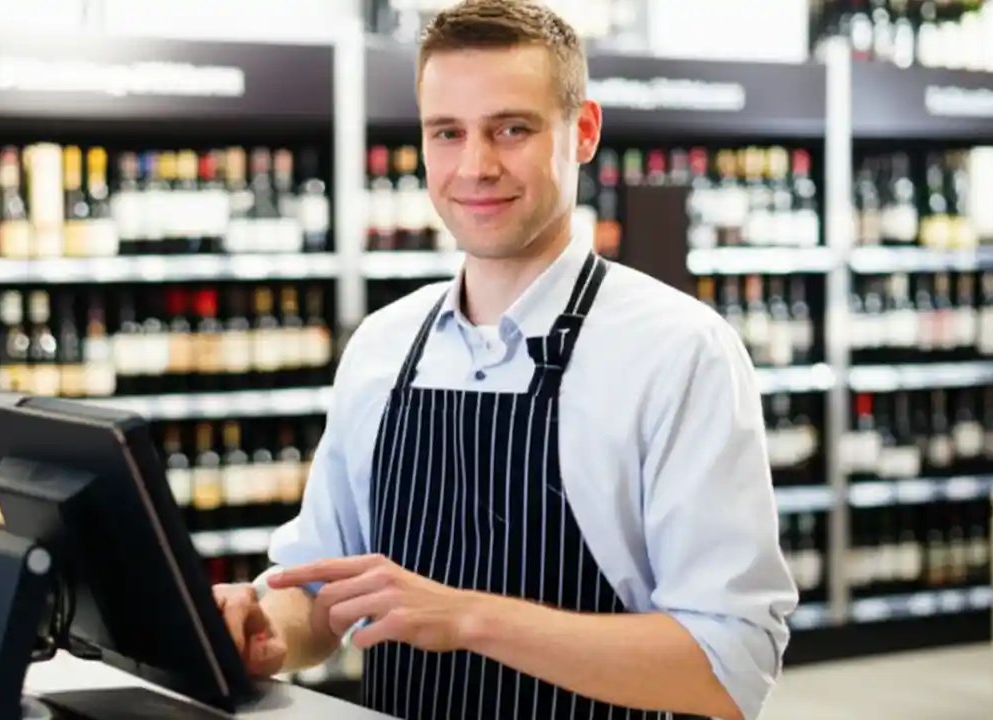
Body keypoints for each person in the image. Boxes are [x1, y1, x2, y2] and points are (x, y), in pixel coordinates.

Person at [212, 1, 798, 718]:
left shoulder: (677, 352)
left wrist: (469, 619)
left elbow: (729, 667)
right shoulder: (382, 347)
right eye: (446, 133)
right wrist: (259, 628)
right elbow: (317, 599)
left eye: (511, 129)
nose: (475, 166)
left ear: (582, 133)